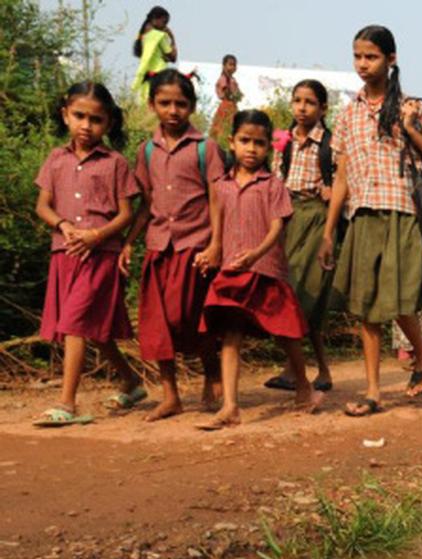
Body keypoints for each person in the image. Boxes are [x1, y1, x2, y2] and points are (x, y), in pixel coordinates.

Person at [318, 24, 422, 416]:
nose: (363, 64)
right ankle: (374, 392)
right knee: (365, 306)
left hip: (401, 212)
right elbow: (341, 177)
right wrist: (329, 232)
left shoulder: (415, 107)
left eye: (371, 56)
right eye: (358, 56)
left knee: (396, 299)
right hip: (361, 215)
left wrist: (410, 129)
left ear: (391, 60)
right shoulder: (347, 115)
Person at [194, 110, 319, 430]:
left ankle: (303, 385)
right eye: (245, 141)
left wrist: (256, 254)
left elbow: (278, 227)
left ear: (268, 148)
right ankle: (231, 406)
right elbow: (217, 229)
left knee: (285, 332)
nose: (251, 149)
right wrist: (211, 252)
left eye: (259, 143)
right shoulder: (221, 186)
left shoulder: (273, 185)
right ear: (231, 142)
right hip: (232, 270)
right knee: (231, 335)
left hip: (266, 270)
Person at [32, 82, 143, 428]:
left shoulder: (115, 163)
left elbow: (126, 214)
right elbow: (42, 205)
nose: (86, 125)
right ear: (65, 114)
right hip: (65, 253)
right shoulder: (55, 159)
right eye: (79, 116)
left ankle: (67, 402)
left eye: (95, 119)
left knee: (75, 325)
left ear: (108, 123)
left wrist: (97, 235)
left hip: (101, 256)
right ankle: (132, 382)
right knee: (96, 332)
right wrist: (63, 225)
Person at [121, 69, 225, 421]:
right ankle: (171, 395)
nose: (173, 110)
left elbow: (216, 199)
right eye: (164, 103)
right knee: (156, 324)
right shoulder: (146, 151)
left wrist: (216, 244)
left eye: (181, 103)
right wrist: (128, 244)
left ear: (193, 106)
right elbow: (145, 205)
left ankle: (212, 371)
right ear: (152, 105)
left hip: (194, 246)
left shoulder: (204, 148)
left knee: (193, 318)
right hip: (158, 246)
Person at [263, 79, 335, 394]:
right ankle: (322, 371)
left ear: (323, 109)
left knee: (302, 294)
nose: (302, 108)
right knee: (294, 294)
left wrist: (330, 194)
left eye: (309, 102)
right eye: (297, 101)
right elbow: (276, 181)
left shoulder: (330, 144)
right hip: (289, 218)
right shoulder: (284, 141)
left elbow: (342, 184)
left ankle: (293, 369)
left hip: (317, 219)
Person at [131, 7, 176, 105]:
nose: (165, 26)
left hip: (145, 76)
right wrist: (172, 38)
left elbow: (144, 57)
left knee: (145, 103)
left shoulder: (142, 36)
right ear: (155, 19)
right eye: (164, 22)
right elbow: (173, 57)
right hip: (160, 76)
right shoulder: (159, 36)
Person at [209, 54, 241, 141]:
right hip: (226, 106)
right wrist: (234, 95)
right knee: (223, 128)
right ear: (224, 66)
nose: (233, 67)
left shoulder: (232, 79)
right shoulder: (224, 79)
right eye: (230, 64)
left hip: (232, 106)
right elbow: (226, 93)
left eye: (234, 65)